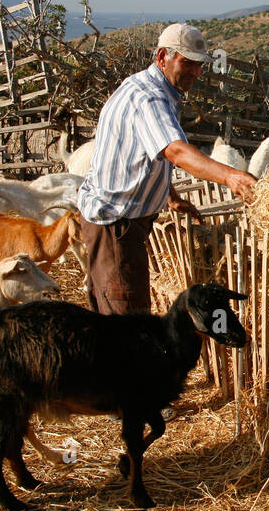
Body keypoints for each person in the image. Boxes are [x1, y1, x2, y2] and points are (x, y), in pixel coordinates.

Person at [76, 23, 256, 315]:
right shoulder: (151, 98)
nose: (195, 73)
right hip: (116, 227)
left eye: (199, 65)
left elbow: (145, 153)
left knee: (110, 323)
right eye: (187, 63)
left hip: (109, 223)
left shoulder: (142, 86)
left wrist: (169, 197)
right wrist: (231, 176)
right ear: (162, 56)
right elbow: (174, 151)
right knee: (129, 325)